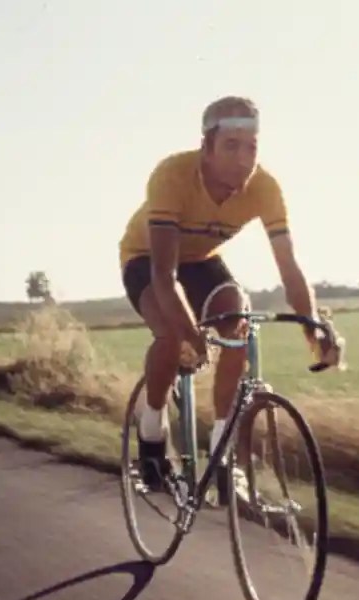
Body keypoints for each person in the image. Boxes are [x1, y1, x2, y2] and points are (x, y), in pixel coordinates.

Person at [118, 95, 343, 503]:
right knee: (172, 334)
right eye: (232, 146)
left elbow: (289, 267)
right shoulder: (172, 174)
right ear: (207, 147)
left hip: (203, 261)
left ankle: (222, 458)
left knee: (238, 322)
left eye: (253, 147)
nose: (244, 159)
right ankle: (151, 433)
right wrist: (191, 335)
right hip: (148, 260)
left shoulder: (265, 188)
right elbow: (165, 279)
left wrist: (316, 330)